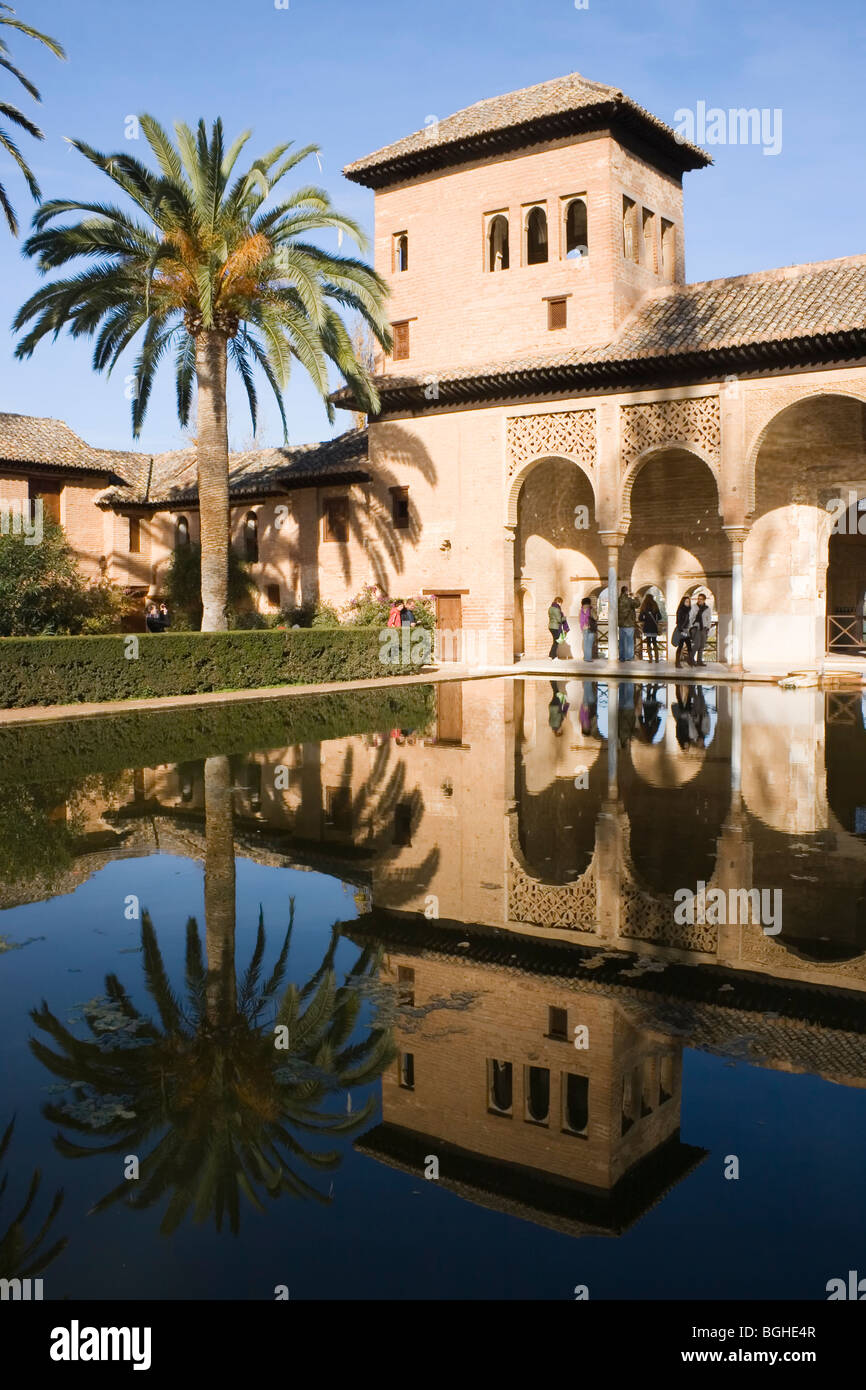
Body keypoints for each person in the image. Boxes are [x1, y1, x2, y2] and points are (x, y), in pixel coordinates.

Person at [689, 592, 712, 667]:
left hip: (704, 628)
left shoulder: (707, 608)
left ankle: (699, 661)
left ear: (704, 600)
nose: (699, 600)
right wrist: (692, 625)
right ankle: (691, 659)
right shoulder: (694, 607)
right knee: (696, 645)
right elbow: (690, 617)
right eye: (698, 599)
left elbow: (709, 619)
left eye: (701, 599)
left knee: (702, 645)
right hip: (696, 628)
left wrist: (708, 627)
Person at [639, 593, 661, 662]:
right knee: (654, 642)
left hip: (647, 627)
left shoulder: (644, 606)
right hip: (654, 627)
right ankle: (657, 659)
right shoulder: (655, 605)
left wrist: (645, 619)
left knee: (648, 642)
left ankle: (650, 659)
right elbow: (660, 617)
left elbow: (640, 618)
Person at [617, 585, 638, 661]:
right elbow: (638, 604)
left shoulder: (618, 600)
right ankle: (629, 657)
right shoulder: (629, 600)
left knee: (621, 641)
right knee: (630, 641)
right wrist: (634, 596)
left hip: (621, 624)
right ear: (626, 591)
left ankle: (622, 657)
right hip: (629, 624)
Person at [674, 594, 694, 668]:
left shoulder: (689, 610)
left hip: (686, 630)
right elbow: (678, 621)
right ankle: (677, 663)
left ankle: (690, 661)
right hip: (681, 630)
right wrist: (681, 631)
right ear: (683, 602)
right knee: (680, 646)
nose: (688, 603)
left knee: (689, 646)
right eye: (686, 601)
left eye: (689, 602)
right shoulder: (680, 610)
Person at [578, 597, 596, 662]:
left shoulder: (581, 610)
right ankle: (588, 658)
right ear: (589, 602)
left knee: (585, 643)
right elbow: (595, 617)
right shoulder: (591, 609)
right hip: (590, 627)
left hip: (583, 628)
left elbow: (579, 619)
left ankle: (585, 657)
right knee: (590, 644)